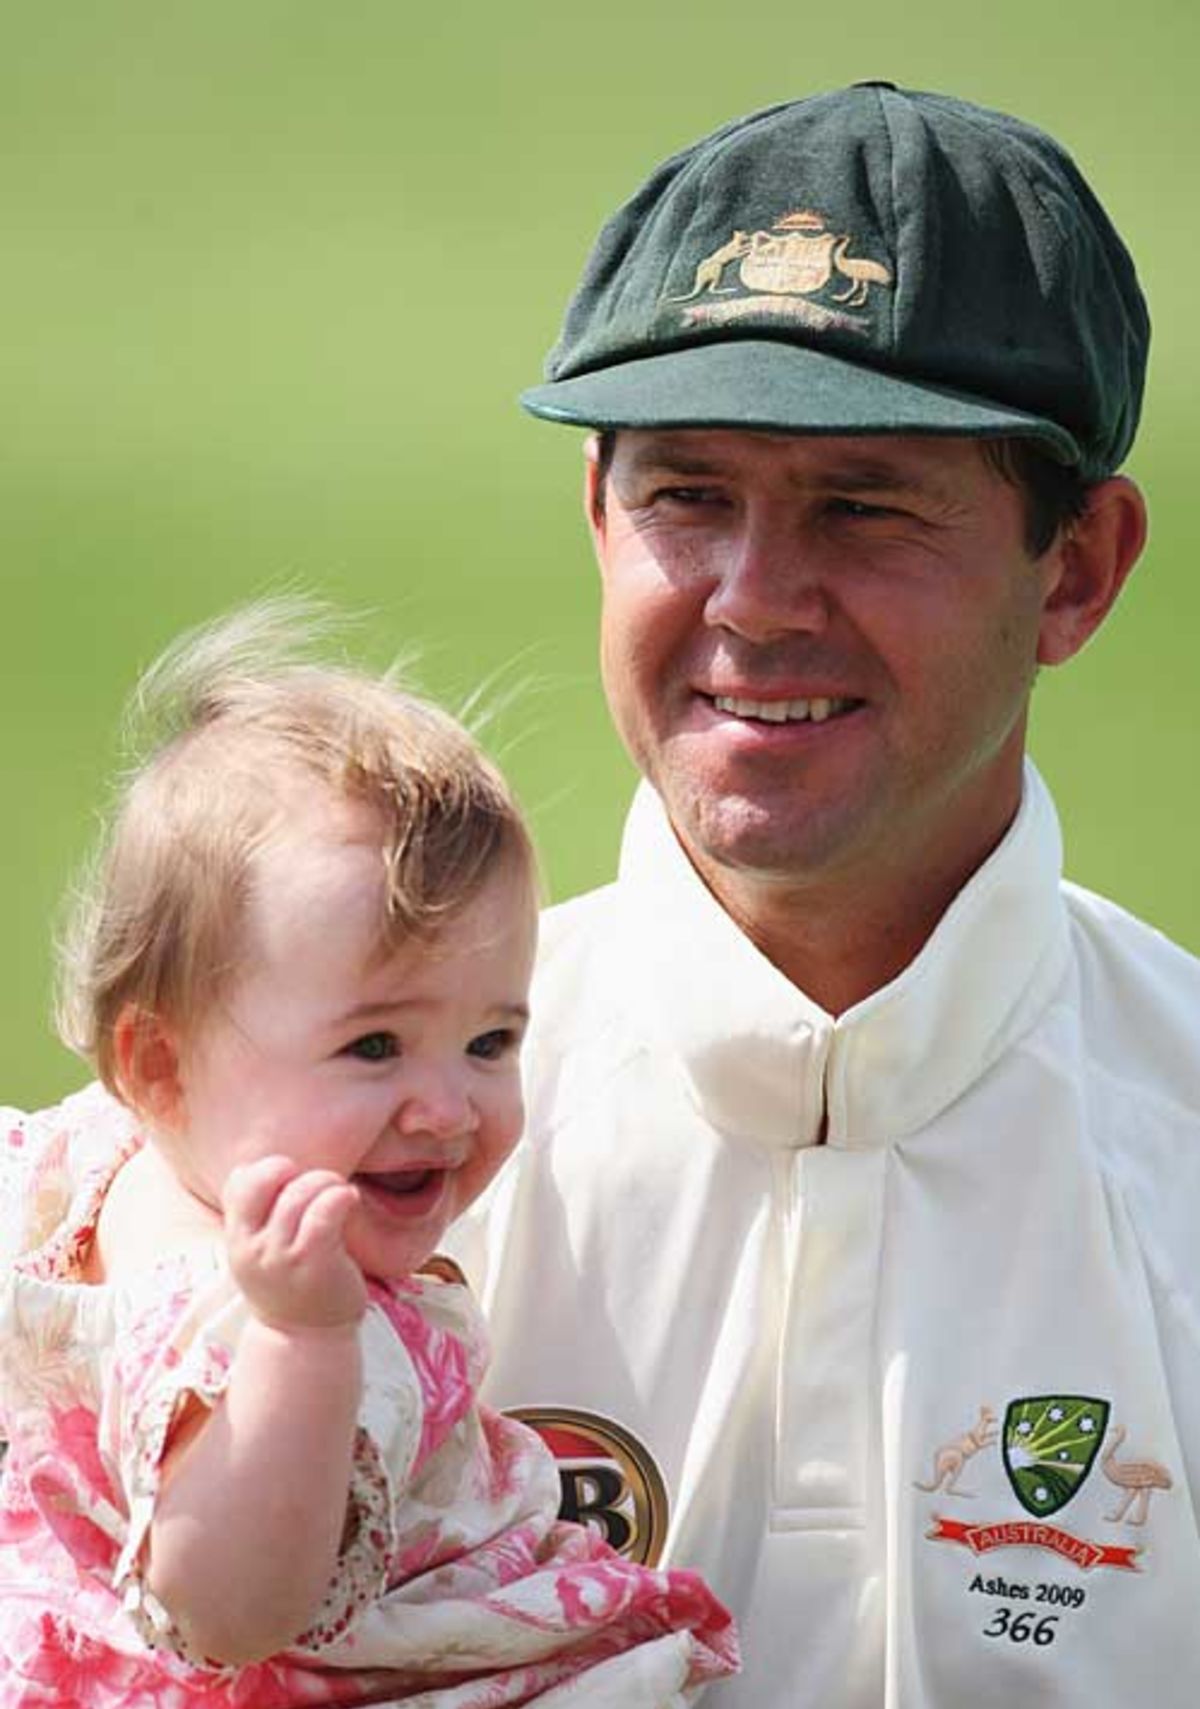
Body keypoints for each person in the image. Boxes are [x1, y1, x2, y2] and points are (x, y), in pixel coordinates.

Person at [443, 82, 1200, 1708]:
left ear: (1075, 568)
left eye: (864, 503)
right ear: (598, 514)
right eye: (688, 494)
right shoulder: (351, 1161)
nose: (756, 599)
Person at [0, 605, 738, 1708]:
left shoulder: (73, 1164)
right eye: (374, 1044)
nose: (444, 1106)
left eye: (491, 1039)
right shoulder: (304, 1330)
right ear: (159, 1066)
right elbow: (225, 1609)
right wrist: (305, 1341)